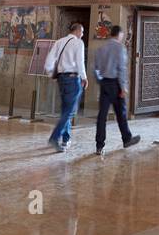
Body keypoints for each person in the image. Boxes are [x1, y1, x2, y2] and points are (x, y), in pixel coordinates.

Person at [92, 25, 140, 155]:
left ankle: (99, 145)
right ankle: (126, 139)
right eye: (122, 36)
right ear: (119, 34)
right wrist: (123, 87)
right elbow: (121, 69)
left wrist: (100, 82)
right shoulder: (120, 48)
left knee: (102, 116)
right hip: (115, 84)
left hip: (104, 84)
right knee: (121, 114)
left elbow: (95, 69)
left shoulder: (100, 49)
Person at [43, 22, 88, 153]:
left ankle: (66, 139)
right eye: (83, 32)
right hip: (73, 79)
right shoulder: (78, 43)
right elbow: (80, 62)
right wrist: (84, 77)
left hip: (61, 79)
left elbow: (48, 62)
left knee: (65, 110)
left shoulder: (59, 42)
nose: (83, 34)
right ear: (78, 31)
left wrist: (51, 74)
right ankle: (54, 137)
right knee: (69, 112)